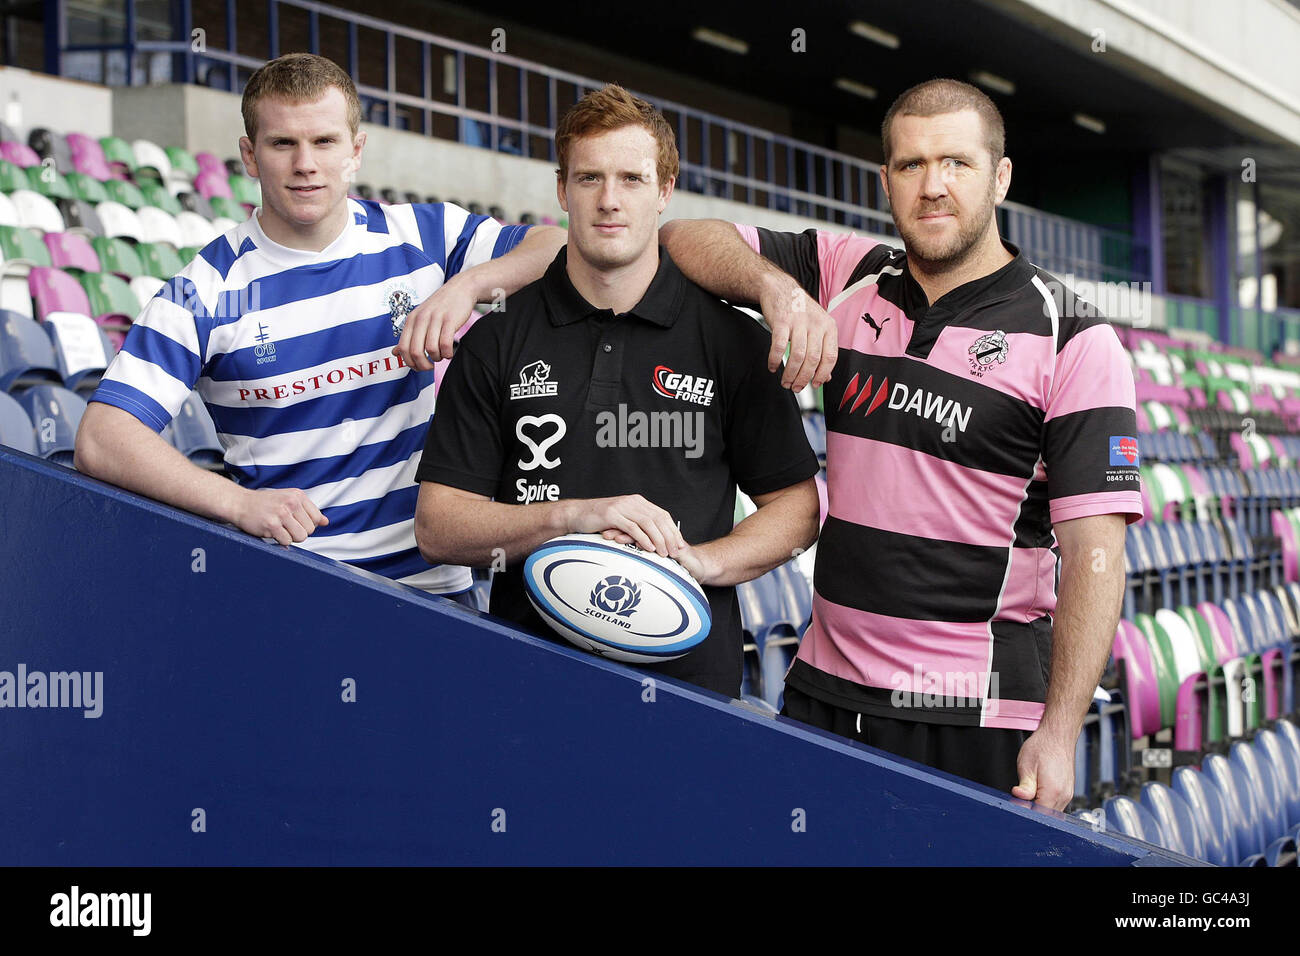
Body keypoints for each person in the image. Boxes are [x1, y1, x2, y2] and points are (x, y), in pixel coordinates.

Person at [657, 78, 1143, 807]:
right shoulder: (848, 274)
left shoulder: (1074, 337)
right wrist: (777, 289)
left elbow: (1096, 557)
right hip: (826, 695)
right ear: (885, 180)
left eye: (956, 163)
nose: (933, 186)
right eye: (911, 165)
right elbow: (683, 236)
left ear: (1000, 177)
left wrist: (1062, 728)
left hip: (975, 715)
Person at [75, 53, 564, 599]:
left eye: (325, 142)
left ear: (355, 152)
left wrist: (467, 286)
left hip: (434, 591)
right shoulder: (205, 290)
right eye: (283, 143)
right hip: (294, 588)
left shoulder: (425, 236)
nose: (305, 163)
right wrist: (237, 503)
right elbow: (102, 439)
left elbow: (562, 247)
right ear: (249, 156)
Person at [413, 84, 821, 695]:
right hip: (528, 681)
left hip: (689, 686)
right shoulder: (496, 340)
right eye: (589, 179)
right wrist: (573, 518)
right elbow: (438, 528)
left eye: (632, 179)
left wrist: (702, 564)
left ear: (664, 191)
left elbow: (796, 507)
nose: (609, 201)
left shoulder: (732, 342)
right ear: (561, 190)